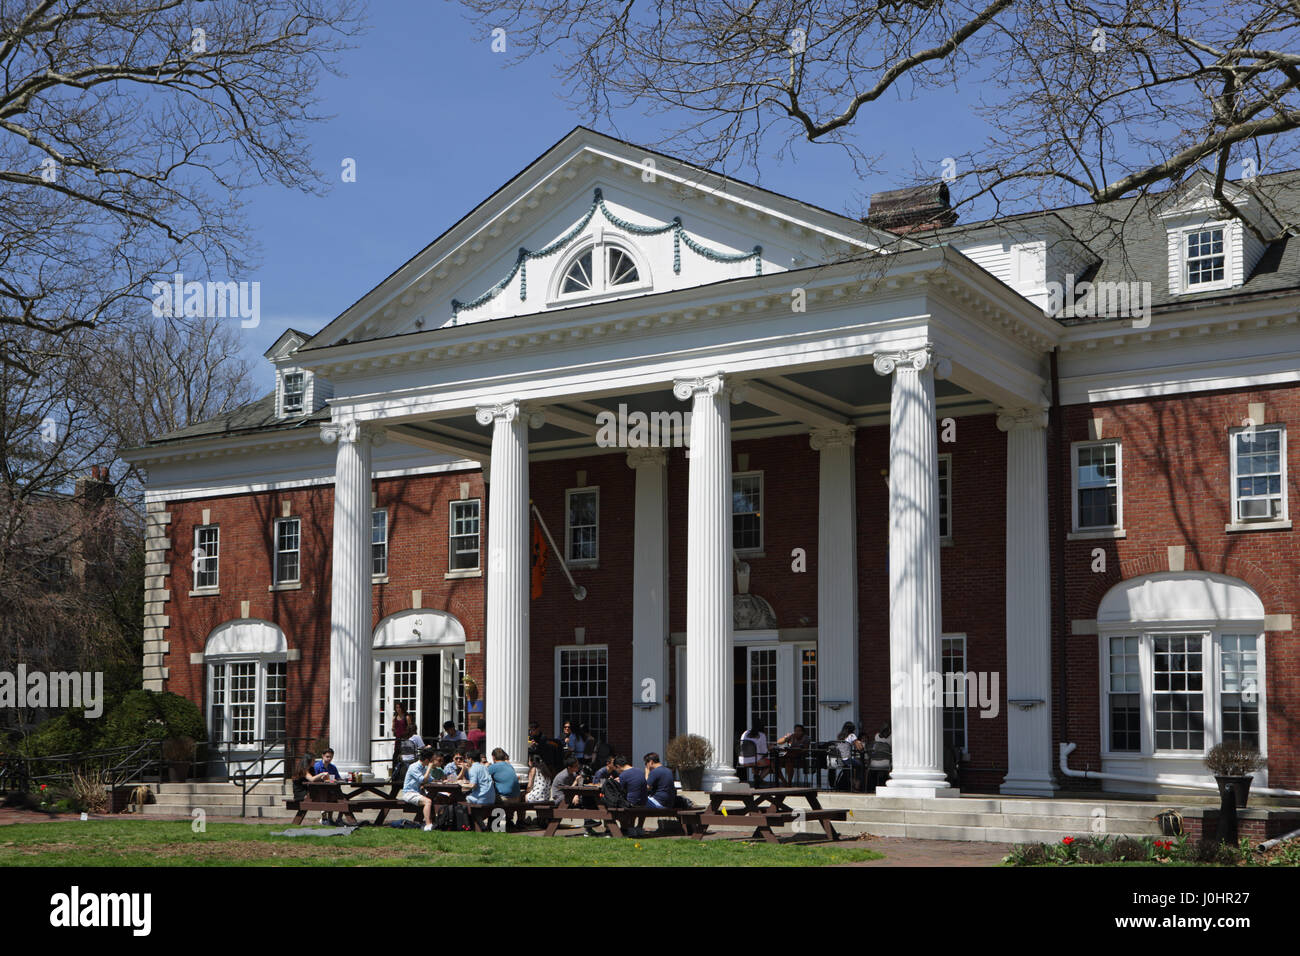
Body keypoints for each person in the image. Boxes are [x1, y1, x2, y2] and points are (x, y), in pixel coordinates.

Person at [401, 745, 439, 831]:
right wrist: (429, 767)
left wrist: (441, 781)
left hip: (417, 793)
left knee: (438, 798)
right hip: (409, 793)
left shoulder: (423, 768)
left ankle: (437, 822)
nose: (433, 762)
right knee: (428, 801)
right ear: (427, 760)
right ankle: (428, 825)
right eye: (432, 760)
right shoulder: (414, 767)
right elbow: (423, 780)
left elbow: (430, 779)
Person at [614, 755, 647, 837]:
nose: (617, 772)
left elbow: (620, 790)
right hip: (643, 802)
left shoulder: (623, 775)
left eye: (616, 770)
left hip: (632, 804)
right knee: (637, 803)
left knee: (615, 804)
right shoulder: (639, 771)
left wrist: (617, 782)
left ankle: (629, 828)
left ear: (618, 766)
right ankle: (639, 828)